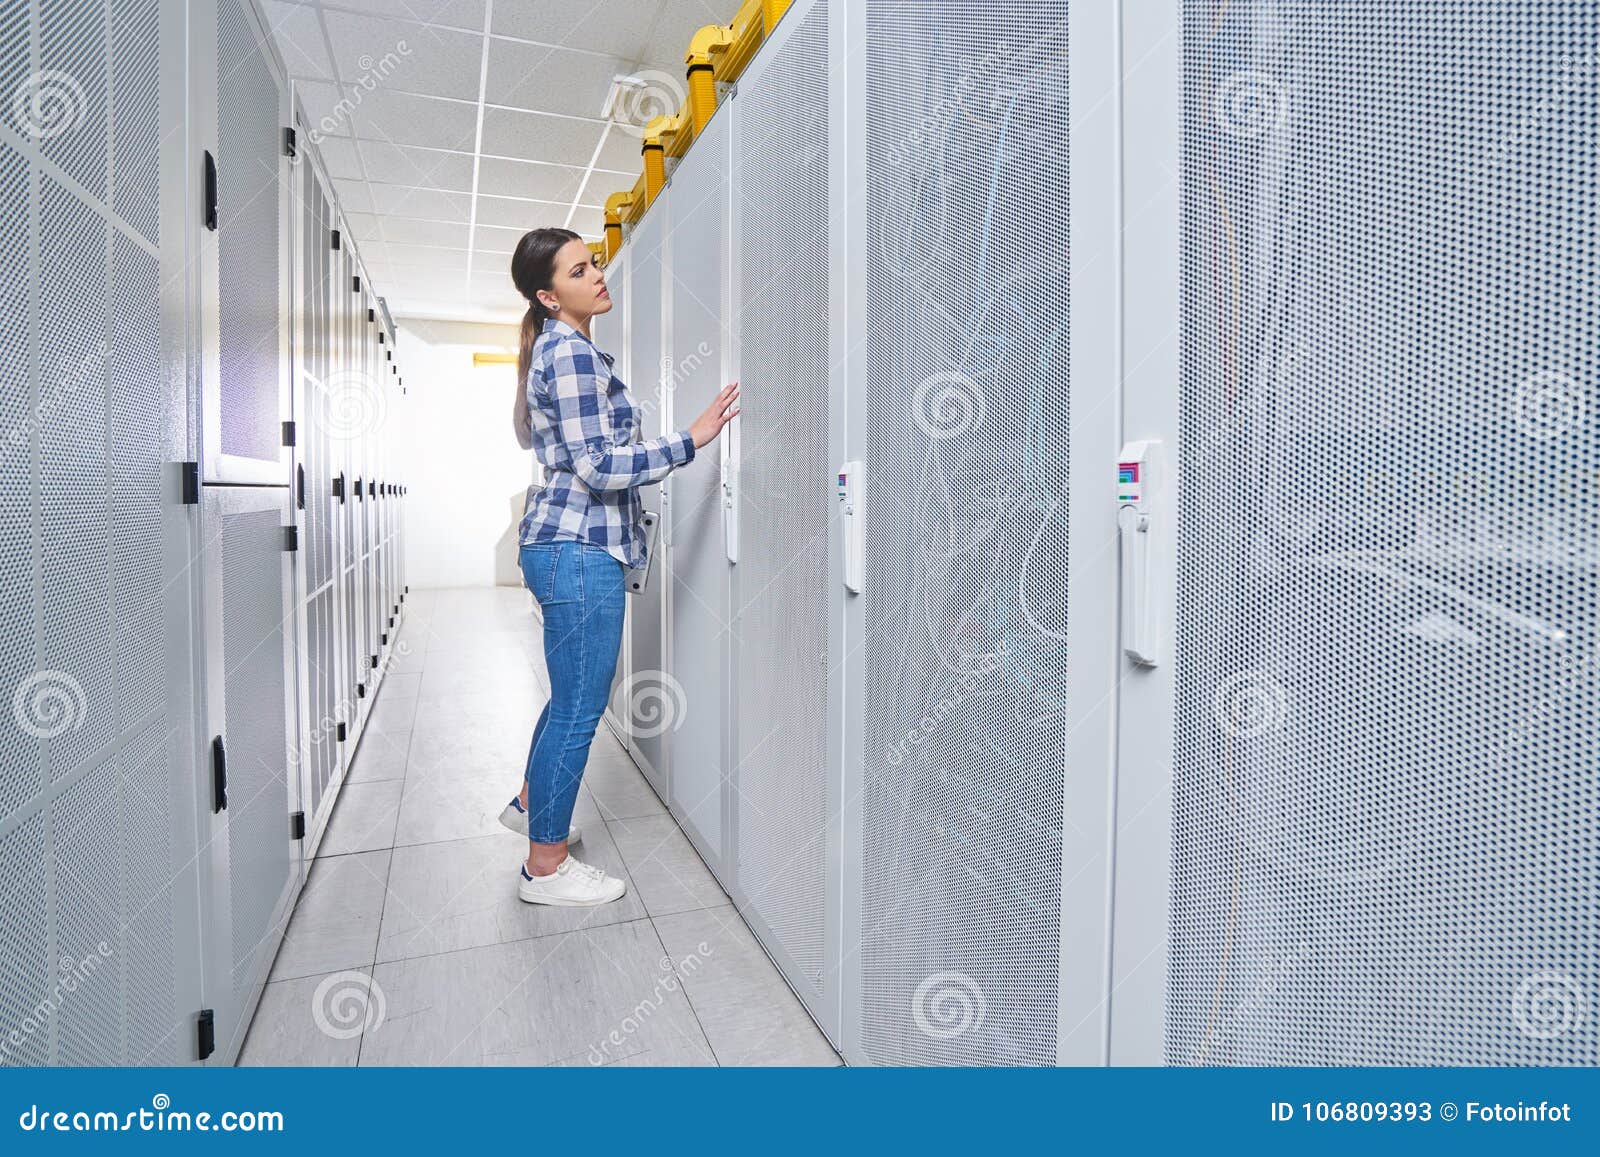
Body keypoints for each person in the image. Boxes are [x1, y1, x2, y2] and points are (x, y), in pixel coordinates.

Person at [501, 227, 738, 906]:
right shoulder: (569, 354)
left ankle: (532, 805)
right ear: (549, 296)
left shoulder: (562, 349)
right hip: (578, 549)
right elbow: (598, 465)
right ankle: (545, 868)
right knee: (580, 707)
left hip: (567, 546)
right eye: (578, 271)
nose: (597, 274)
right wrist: (690, 440)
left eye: (594, 262)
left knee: (568, 698)